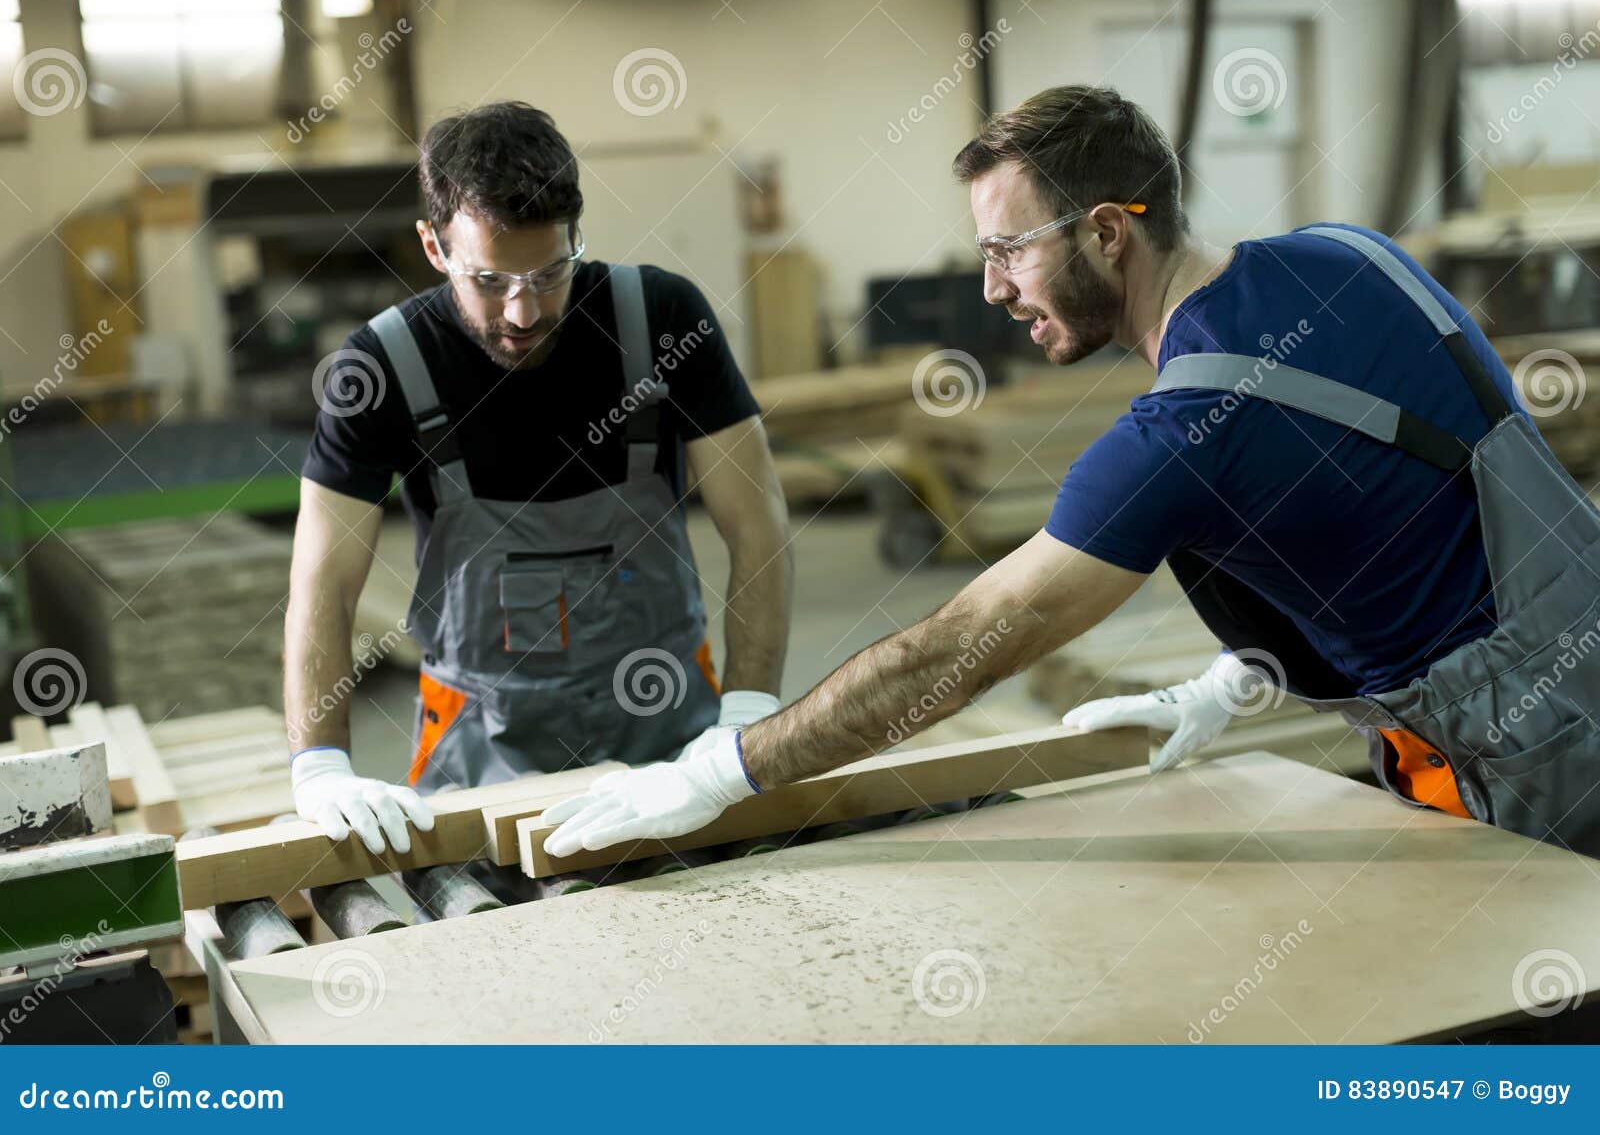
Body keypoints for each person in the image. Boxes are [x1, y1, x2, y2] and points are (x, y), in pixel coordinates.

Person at [543, 84, 1600, 862]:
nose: (993, 288)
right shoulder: (1351, 255)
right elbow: (1386, 504)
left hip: (1531, 764)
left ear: (1104, 233)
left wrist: (719, 769)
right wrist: (1237, 676)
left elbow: (950, 656)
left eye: (1009, 252)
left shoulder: (1178, 438)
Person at [284, 102, 792, 887]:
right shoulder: (378, 368)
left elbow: (757, 526)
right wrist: (320, 764)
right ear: (432, 246)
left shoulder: (661, 321)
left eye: (549, 272)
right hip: (479, 757)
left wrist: (749, 712)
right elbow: (323, 578)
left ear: (576, 235)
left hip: (668, 740)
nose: (523, 311)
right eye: (489, 280)